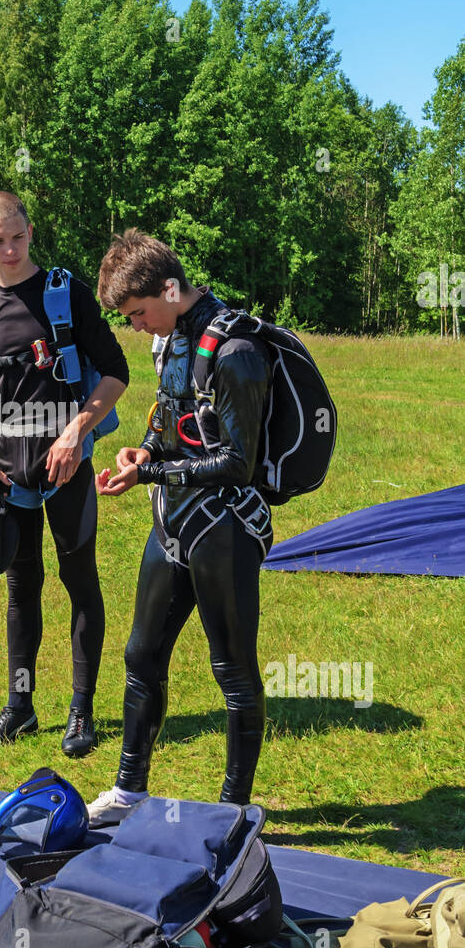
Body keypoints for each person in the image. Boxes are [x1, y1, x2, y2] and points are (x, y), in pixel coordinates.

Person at [88, 229, 274, 824]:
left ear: (170, 289)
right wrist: (142, 454)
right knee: (141, 654)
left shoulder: (235, 351)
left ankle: (232, 811)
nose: (136, 327)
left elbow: (235, 464)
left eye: (139, 313)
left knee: (234, 673)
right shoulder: (169, 342)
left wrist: (153, 473)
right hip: (172, 524)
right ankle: (128, 790)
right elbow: (169, 417)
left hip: (225, 531)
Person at [0, 192, 129, 756]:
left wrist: (76, 433)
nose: (10, 250)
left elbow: (116, 374)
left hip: (66, 468)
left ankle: (82, 711)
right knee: (20, 588)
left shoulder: (66, 294)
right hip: (6, 472)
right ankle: (21, 707)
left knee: (79, 583)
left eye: (18, 237)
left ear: (31, 232)